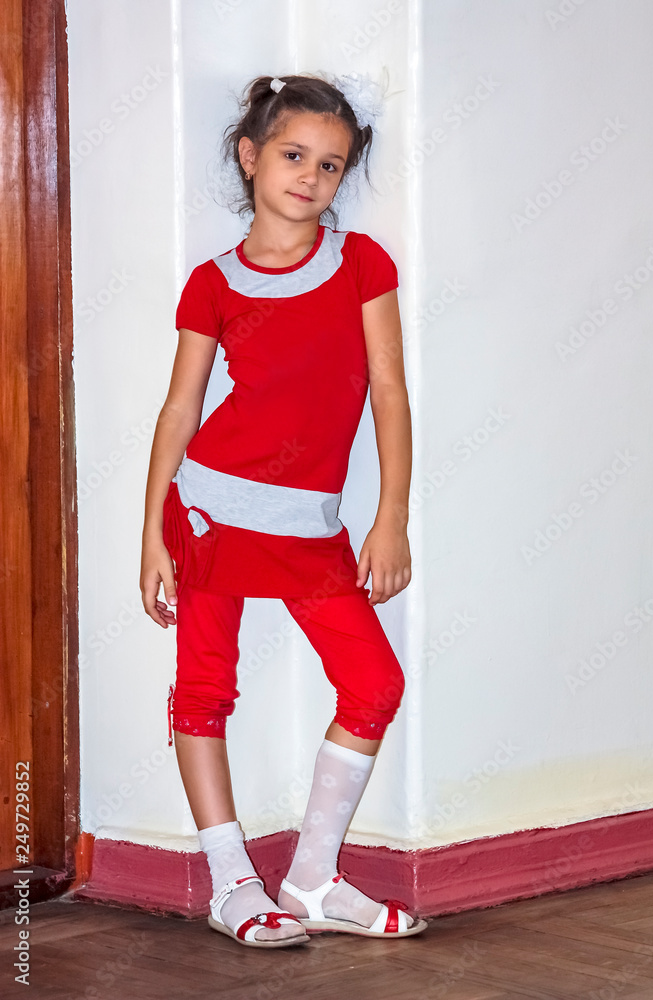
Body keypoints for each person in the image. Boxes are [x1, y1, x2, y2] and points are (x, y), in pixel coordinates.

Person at [140, 72, 427, 948]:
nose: (311, 176)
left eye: (331, 165)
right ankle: (232, 882)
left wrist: (391, 516)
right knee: (203, 690)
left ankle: (311, 876)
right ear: (250, 155)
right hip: (211, 514)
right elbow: (181, 409)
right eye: (295, 155)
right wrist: (150, 529)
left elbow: (387, 391)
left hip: (309, 525)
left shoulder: (362, 264)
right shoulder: (213, 283)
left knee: (374, 684)